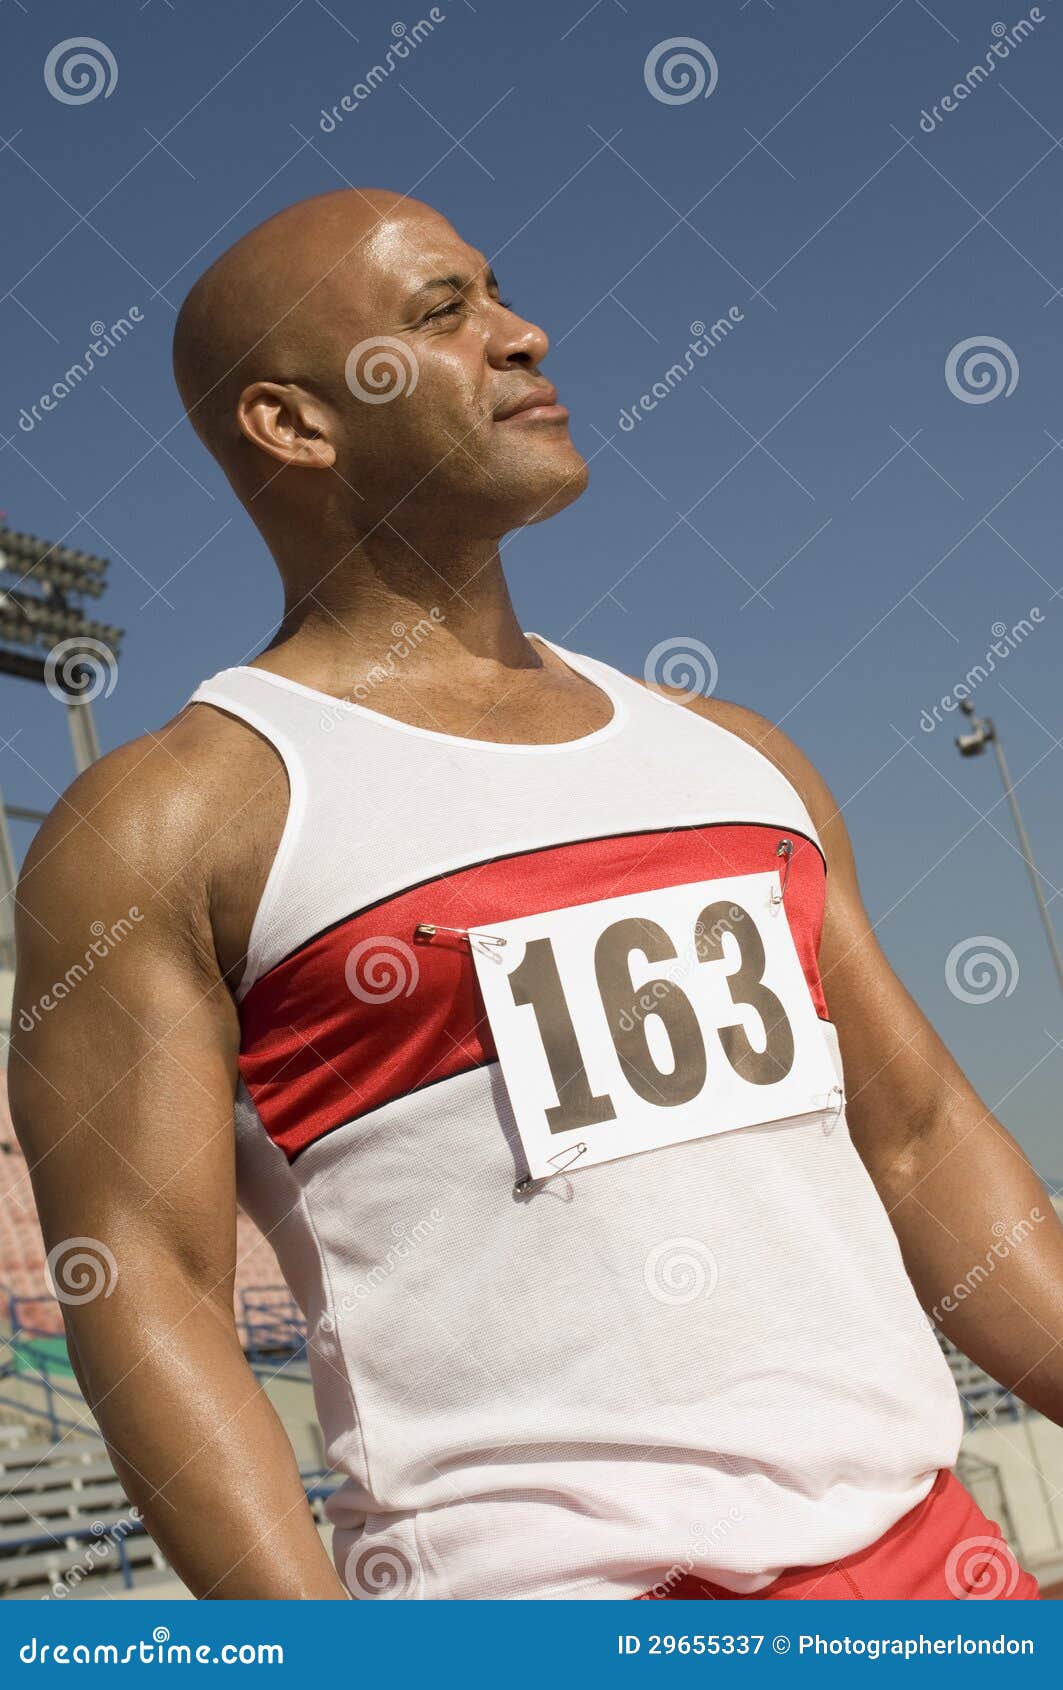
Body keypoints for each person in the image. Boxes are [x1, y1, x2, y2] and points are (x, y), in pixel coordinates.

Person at [10, 189, 1060, 1602]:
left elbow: (925, 1142)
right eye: (444, 313)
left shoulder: (743, 761)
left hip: (938, 1569)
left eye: (499, 293)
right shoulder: (172, 819)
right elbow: (151, 1290)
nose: (524, 334)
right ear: (294, 423)